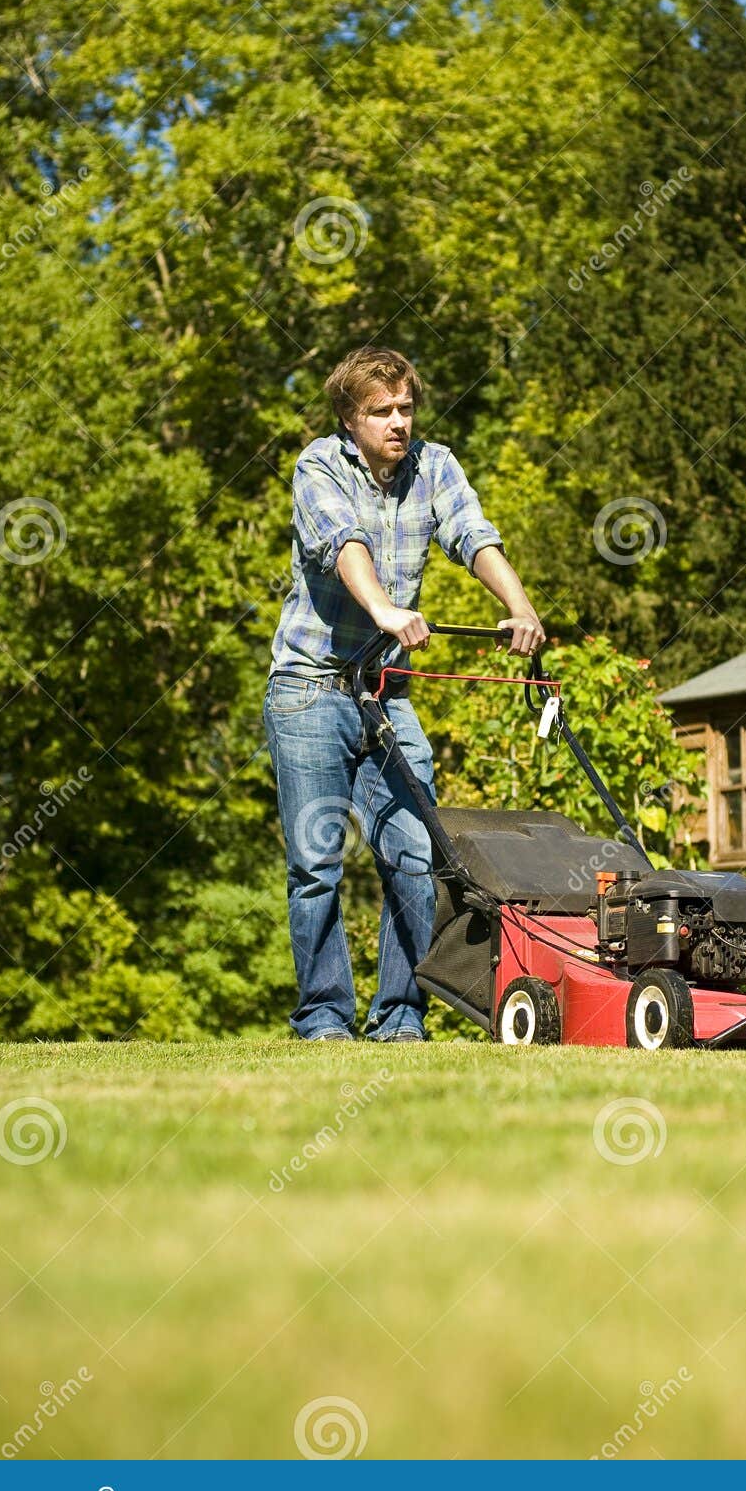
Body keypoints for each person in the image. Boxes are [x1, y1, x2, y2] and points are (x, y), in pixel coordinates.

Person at [264, 346, 545, 1043]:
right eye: (380, 411)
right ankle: (324, 1018)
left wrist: (520, 606)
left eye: (405, 408)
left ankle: (398, 1017)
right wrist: (386, 610)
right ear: (348, 418)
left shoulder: (435, 466)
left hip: (385, 695)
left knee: (416, 856)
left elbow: (471, 535)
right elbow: (343, 542)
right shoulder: (319, 466)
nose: (398, 422)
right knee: (316, 864)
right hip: (309, 691)